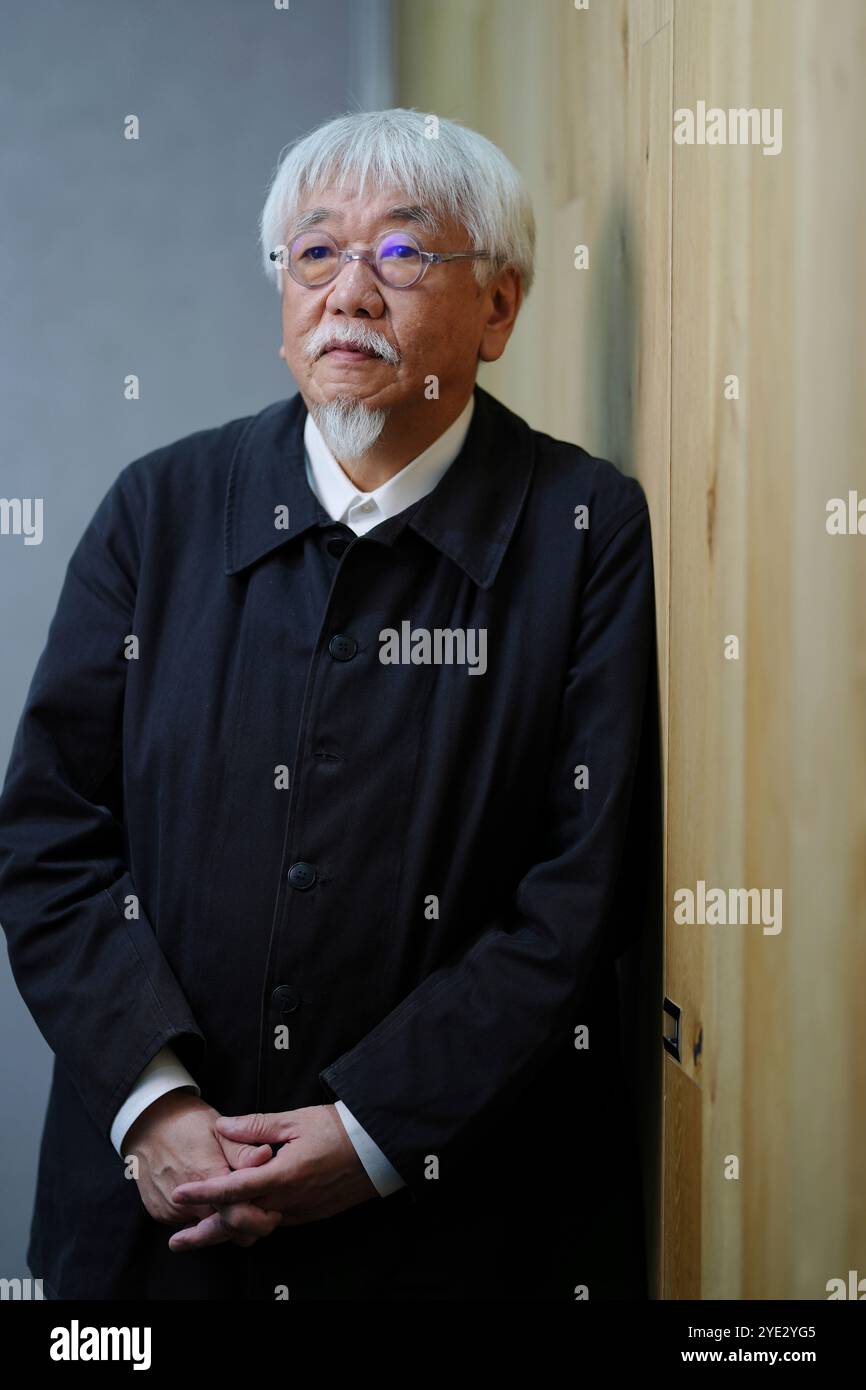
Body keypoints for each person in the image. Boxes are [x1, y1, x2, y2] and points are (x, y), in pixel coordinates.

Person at [0, 107, 657, 1300]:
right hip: (152, 1224)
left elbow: (581, 890)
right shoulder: (159, 511)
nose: (349, 291)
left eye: (403, 254)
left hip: (459, 1227)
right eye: (314, 254)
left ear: (497, 310)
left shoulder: (585, 530)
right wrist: (156, 1102)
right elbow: (48, 838)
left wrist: (371, 1130)